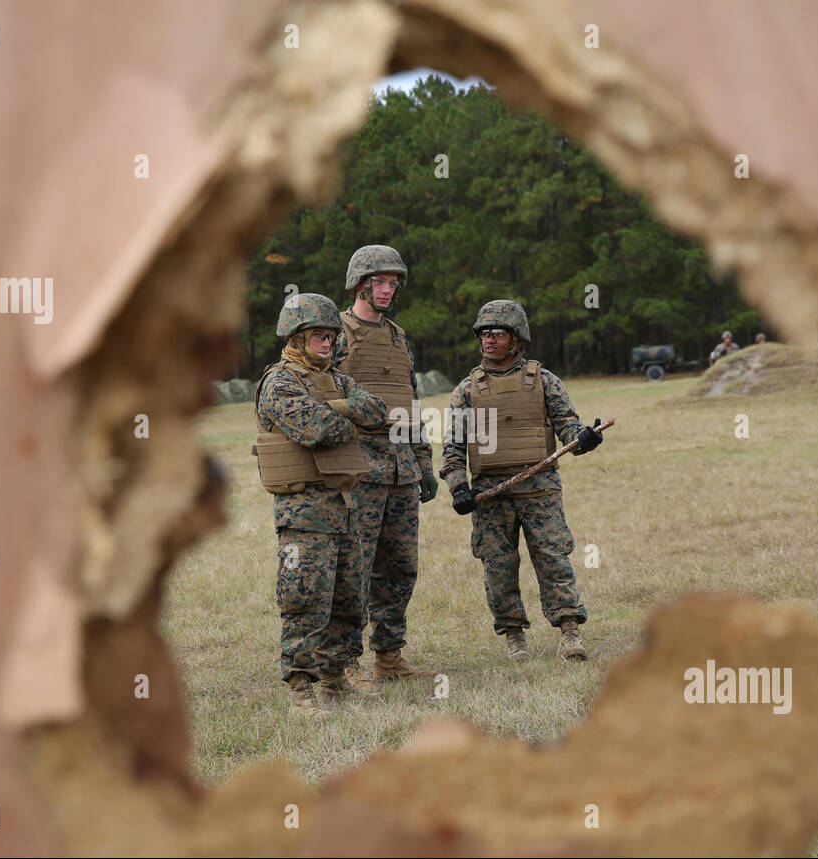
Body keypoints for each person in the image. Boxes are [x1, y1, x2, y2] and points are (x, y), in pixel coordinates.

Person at [440, 300, 600, 662]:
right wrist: (458, 486)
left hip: (539, 491)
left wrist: (584, 438)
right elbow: (453, 445)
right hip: (490, 495)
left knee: (553, 560)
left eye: (497, 333)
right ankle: (514, 636)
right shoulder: (467, 389)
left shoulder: (544, 381)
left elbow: (567, 428)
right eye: (484, 334)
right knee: (498, 569)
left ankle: (569, 630)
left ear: (516, 338)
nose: (488, 340)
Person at [252, 293, 388, 716]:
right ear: (296, 336)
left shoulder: (337, 378)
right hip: (303, 512)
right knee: (305, 599)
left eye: (331, 336)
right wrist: (347, 417)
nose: (327, 343)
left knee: (349, 598)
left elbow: (379, 411)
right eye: (318, 336)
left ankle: (335, 679)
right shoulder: (279, 382)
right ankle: (301, 689)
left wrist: (340, 408)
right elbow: (316, 427)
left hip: (343, 505)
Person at [333, 245, 436, 685]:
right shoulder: (335, 332)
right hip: (358, 471)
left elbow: (410, 402)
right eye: (380, 282)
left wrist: (424, 462)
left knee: (399, 567)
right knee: (354, 567)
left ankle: (389, 659)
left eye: (394, 283)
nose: (388, 289)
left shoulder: (397, 336)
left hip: (401, 472)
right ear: (360, 284)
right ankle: (345, 664)